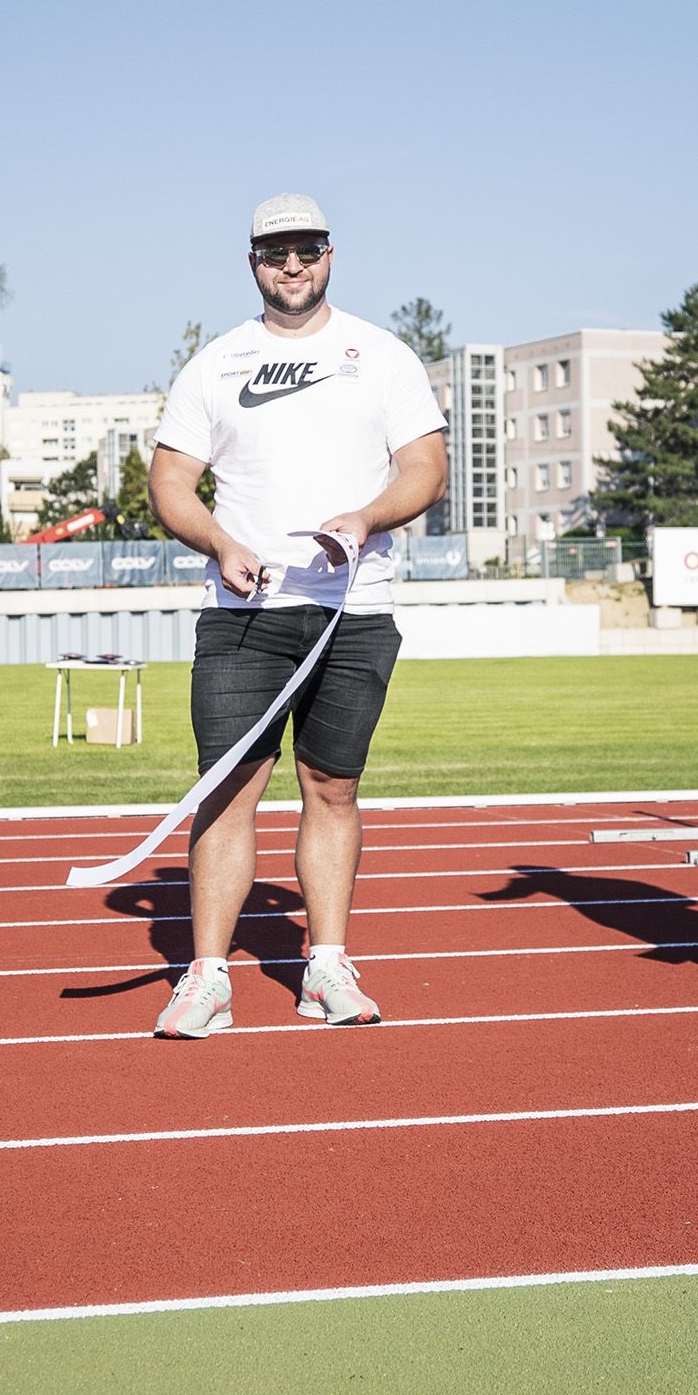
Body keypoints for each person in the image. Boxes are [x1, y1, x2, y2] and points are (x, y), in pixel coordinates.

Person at [141, 193, 446, 1039]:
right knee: (229, 789)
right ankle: (206, 978)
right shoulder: (216, 361)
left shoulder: (380, 355)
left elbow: (425, 465)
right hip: (246, 609)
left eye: (305, 250)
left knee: (332, 787)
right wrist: (217, 541)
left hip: (356, 607)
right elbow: (171, 481)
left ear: (329, 255)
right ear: (252, 263)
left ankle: (325, 966)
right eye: (275, 253)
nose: (292, 265)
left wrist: (367, 518)